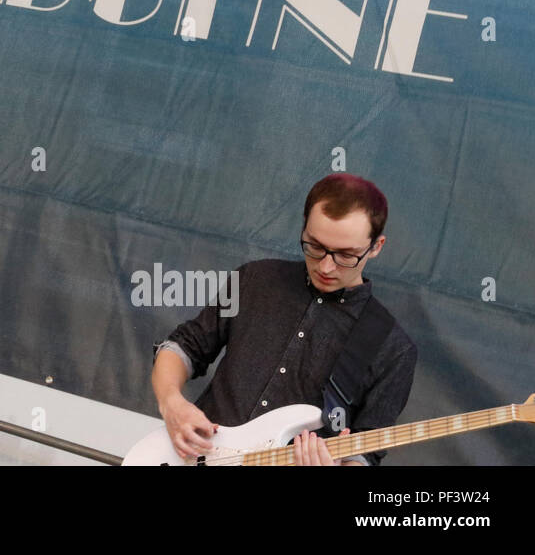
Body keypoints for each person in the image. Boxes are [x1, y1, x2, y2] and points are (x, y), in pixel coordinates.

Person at [151, 173, 417, 466]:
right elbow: (183, 346)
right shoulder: (255, 280)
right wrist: (171, 403)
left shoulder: (393, 348)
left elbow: (366, 452)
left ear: (376, 246)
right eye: (315, 246)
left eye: (346, 255)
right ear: (304, 225)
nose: (326, 266)